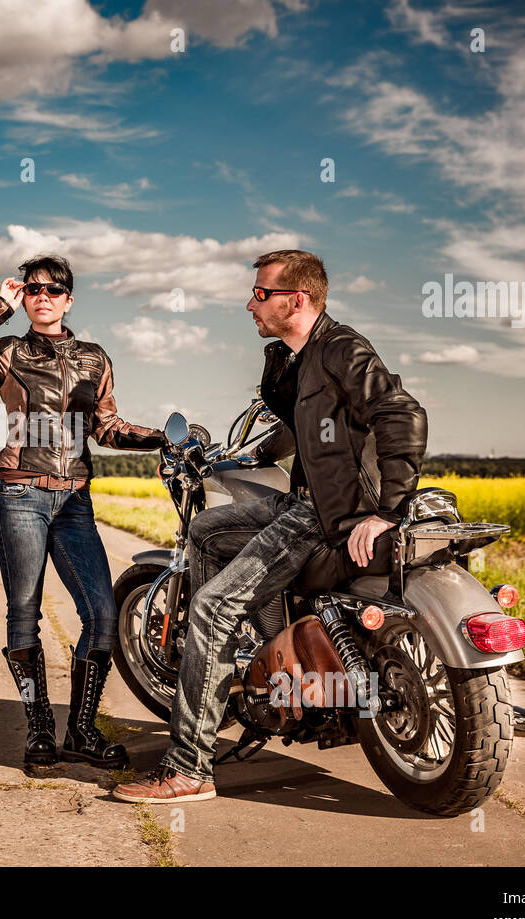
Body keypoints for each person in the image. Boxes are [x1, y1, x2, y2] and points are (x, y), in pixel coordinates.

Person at [113, 249, 427, 803]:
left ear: (297, 300)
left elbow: (401, 413)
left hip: (329, 516)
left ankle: (188, 769)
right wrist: (249, 431)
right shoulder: (302, 358)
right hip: (306, 501)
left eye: (261, 294)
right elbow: (300, 431)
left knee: (210, 606)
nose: (249, 303)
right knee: (206, 530)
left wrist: (386, 512)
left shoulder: (341, 349)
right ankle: (245, 661)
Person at [0, 254, 168, 770]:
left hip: (75, 501)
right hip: (21, 494)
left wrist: (164, 438)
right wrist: (1, 305)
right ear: (26, 297)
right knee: (25, 610)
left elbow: (107, 428)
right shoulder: (10, 352)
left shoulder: (93, 357)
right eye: (33, 288)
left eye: (53, 289)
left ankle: (82, 732)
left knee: (103, 614)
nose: (43, 295)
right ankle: (39, 729)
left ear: (69, 298)